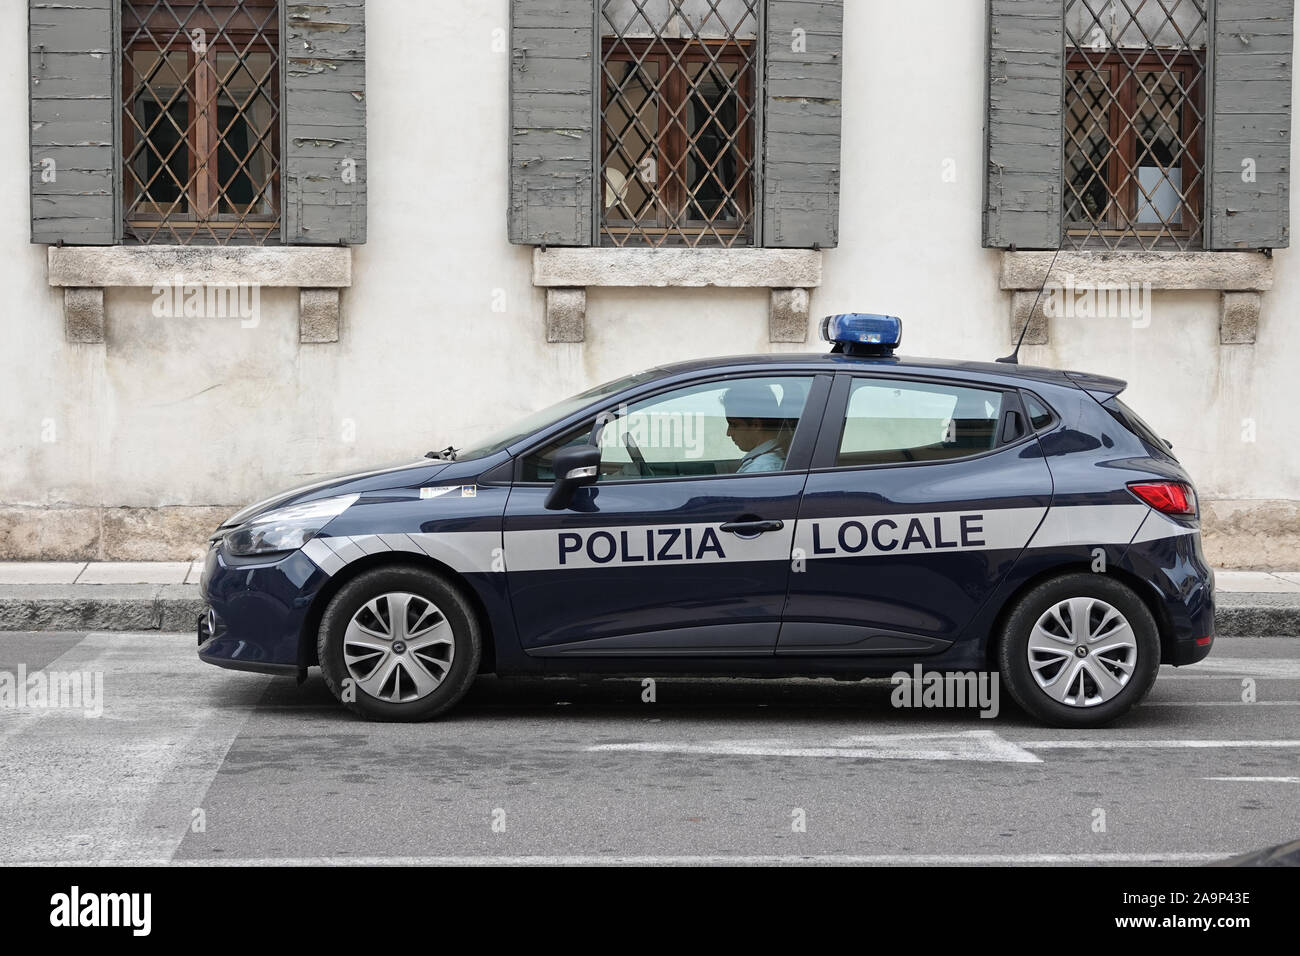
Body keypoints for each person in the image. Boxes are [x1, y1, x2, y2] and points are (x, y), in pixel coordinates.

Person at [720, 381, 791, 473]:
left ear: (756, 425)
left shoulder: (759, 469)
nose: (728, 433)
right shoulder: (771, 460)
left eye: (734, 424)